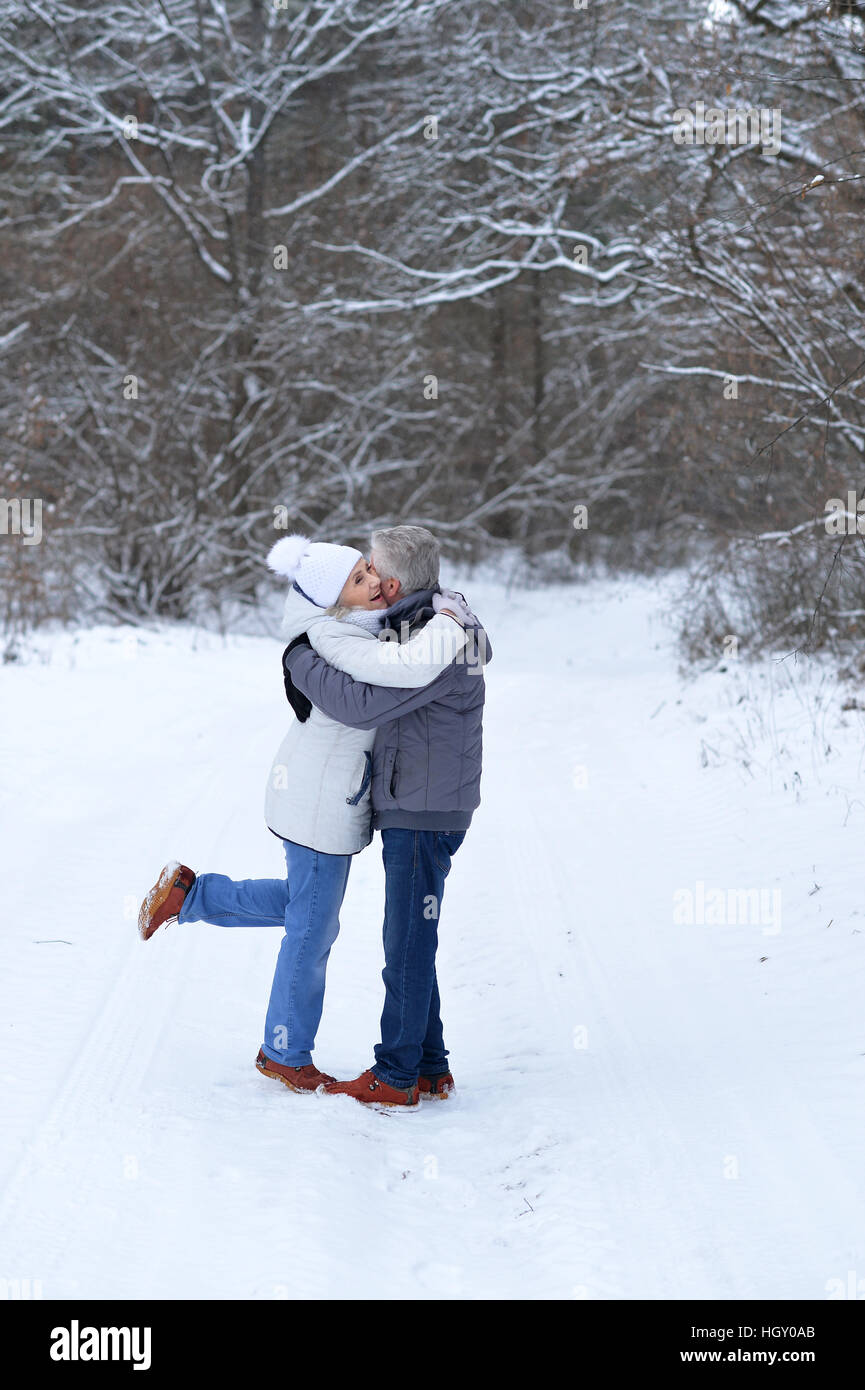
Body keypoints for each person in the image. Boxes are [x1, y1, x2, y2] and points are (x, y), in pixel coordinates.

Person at [137, 532, 470, 1095]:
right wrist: (451, 623)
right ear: (333, 600)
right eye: (359, 581)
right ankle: (284, 1051)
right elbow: (402, 673)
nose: (373, 585)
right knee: (312, 929)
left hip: (327, 796)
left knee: (304, 906)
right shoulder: (330, 635)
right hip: (318, 800)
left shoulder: (352, 626)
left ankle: (193, 896)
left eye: (370, 572)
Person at [283, 525, 491, 1109]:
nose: (368, 577)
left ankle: (395, 1075)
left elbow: (358, 702)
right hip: (421, 801)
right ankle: (430, 1065)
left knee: (404, 943)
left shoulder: (437, 643)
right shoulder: (420, 624)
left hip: (425, 809)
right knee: (412, 939)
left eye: (372, 569)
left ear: (394, 581)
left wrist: (299, 656)